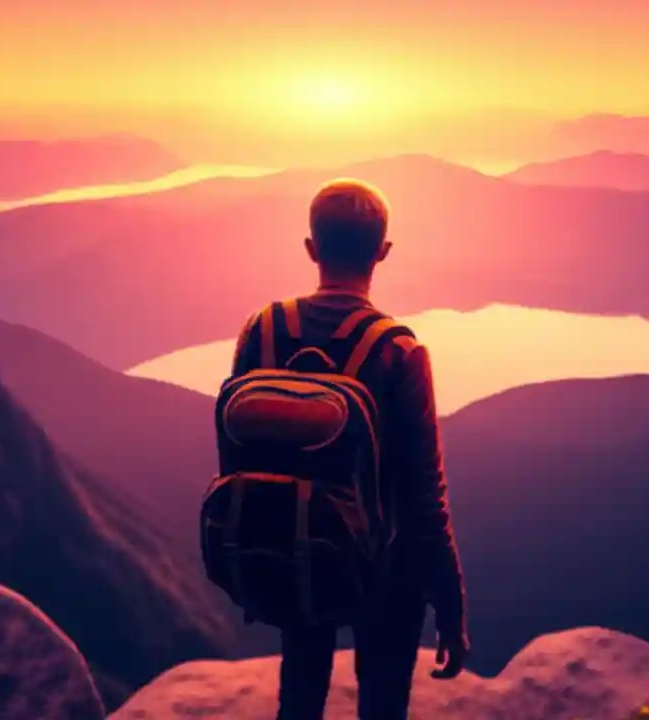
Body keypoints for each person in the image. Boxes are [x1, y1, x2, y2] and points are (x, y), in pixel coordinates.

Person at [228, 179, 468, 720]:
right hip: (384, 570)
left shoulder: (262, 332)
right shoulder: (397, 351)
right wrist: (449, 610)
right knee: (383, 706)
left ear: (311, 249)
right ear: (382, 253)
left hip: (291, 548)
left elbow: (239, 454)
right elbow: (426, 499)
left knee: (300, 697)